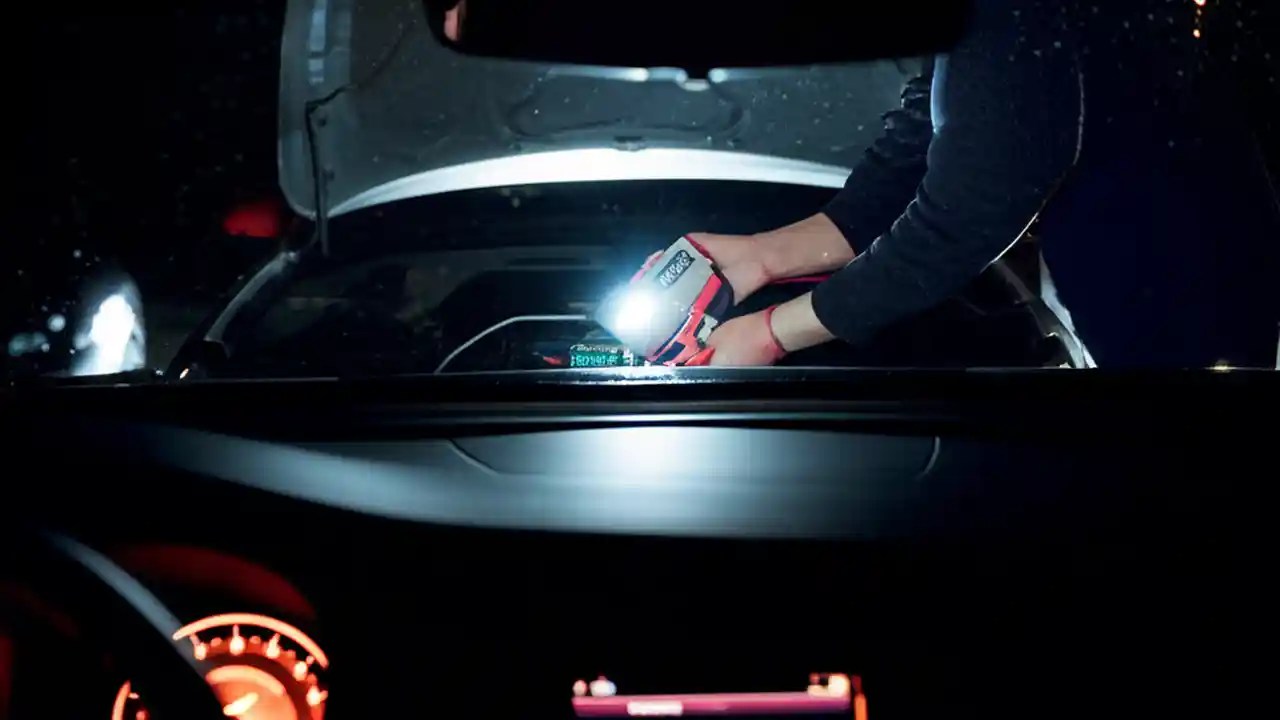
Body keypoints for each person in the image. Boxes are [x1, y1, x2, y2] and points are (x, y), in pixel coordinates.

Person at [687, 0, 1279, 368]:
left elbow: (970, 207)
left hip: (1190, 330)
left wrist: (771, 333)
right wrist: (762, 258)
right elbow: (934, 131)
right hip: (1156, 300)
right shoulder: (984, 20)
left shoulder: (1020, 11)